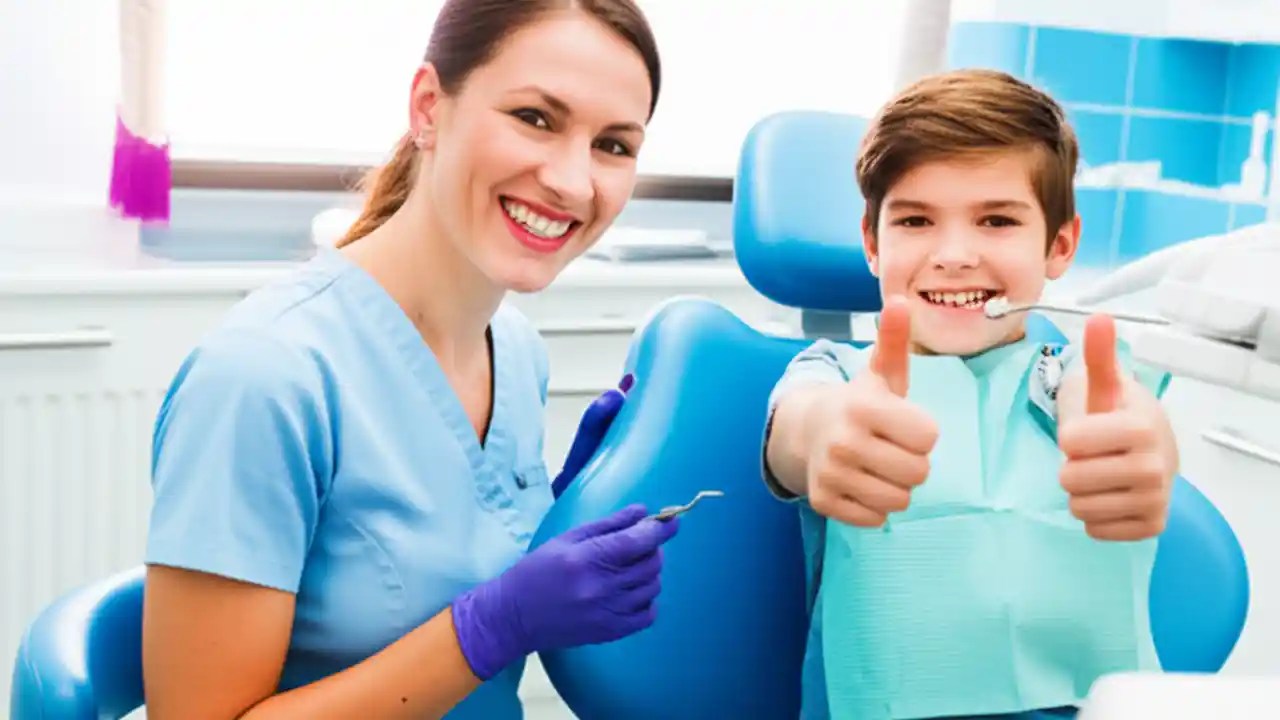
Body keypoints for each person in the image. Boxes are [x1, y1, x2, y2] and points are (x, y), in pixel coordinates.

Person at [141, 1, 677, 718]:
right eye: (535, 118)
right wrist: (490, 626)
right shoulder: (265, 376)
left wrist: (566, 521)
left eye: (614, 145)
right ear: (428, 107)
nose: (574, 183)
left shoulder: (516, 352)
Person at [762, 69, 1181, 719]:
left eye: (996, 220)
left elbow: (1119, 410)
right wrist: (830, 440)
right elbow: (801, 431)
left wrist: (1127, 438)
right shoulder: (835, 376)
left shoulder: (1073, 376)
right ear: (874, 243)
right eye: (917, 220)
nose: (955, 253)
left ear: (1060, 245)